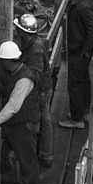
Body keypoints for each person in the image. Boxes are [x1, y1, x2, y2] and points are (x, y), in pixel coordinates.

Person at [0, 41, 40, 184]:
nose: (0, 62)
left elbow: (13, 105)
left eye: (2, 59)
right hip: (8, 122)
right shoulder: (8, 73)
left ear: (9, 60)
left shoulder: (24, 78)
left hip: (23, 124)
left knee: (27, 160)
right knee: (1, 153)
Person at [13, 13, 54, 168]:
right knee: (42, 120)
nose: (15, 30)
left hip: (40, 90)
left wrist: (18, 72)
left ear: (24, 31)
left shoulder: (35, 48)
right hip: (41, 87)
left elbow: (35, 74)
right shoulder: (29, 42)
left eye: (18, 28)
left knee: (41, 121)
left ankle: (45, 155)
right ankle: (44, 154)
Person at [60, 0, 93, 130]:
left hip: (80, 52)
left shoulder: (82, 8)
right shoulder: (76, 5)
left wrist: (85, 49)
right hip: (80, 51)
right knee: (83, 80)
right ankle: (83, 111)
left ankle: (76, 119)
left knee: (75, 84)